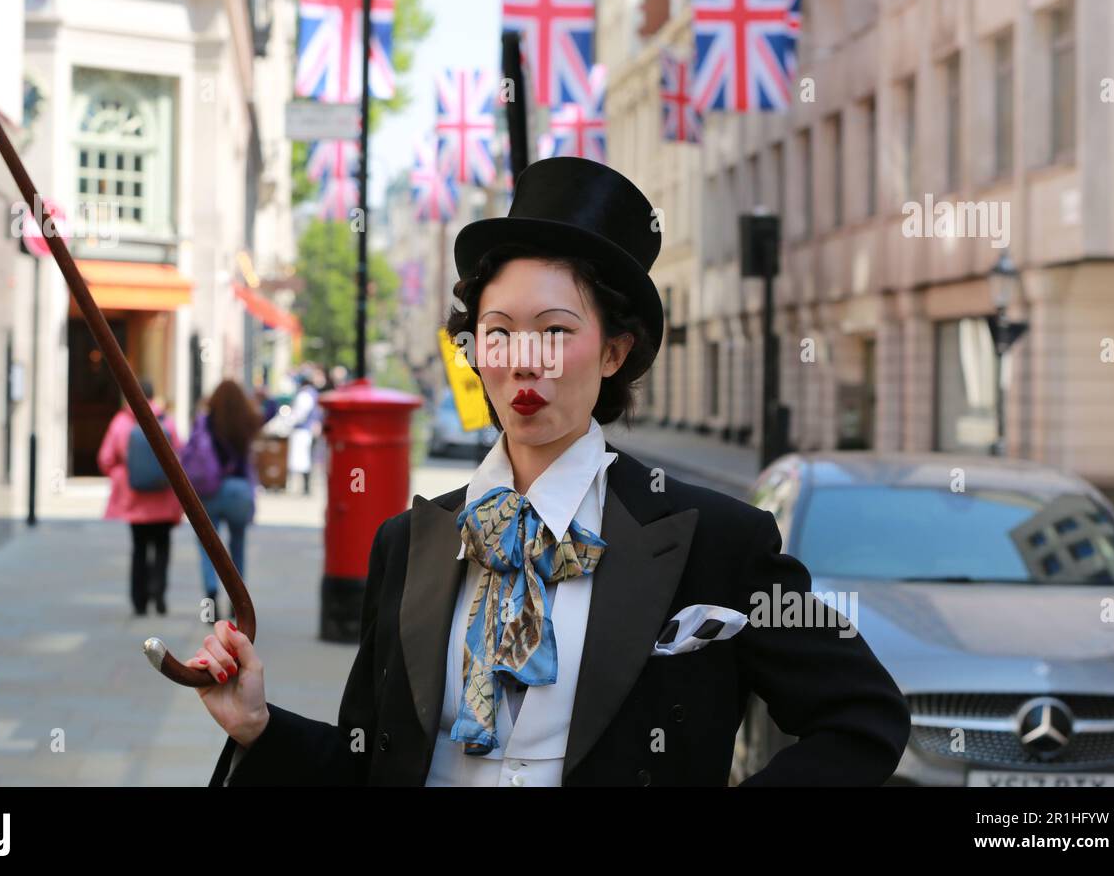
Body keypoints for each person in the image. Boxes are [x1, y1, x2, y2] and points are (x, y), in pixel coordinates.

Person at [188, 157, 912, 786]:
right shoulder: (409, 543)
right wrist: (258, 724)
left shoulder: (717, 542)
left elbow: (863, 719)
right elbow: (369, 764)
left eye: (556, 331)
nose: (522, 358)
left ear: (614, 352)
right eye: (497, 331)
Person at [96, 379, 182, 616]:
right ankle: (159, 594)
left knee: (139, 548)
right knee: (163, 547)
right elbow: (179, 455)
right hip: (163, 499)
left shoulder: (121, 422)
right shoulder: (166, 421)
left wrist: (122, 475)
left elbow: (105, 459)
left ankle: (139, 600)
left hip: (135, 500)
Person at [182, 380, 264, 621]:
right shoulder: (246, 421)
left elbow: (191, 450)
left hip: (211, 490)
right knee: (237, 546)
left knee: (208, 547)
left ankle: (210, 595)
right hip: (239, 491)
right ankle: (238, 604)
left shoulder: (206, 420)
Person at [288, 371, 320, 496]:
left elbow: (299, 414)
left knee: (301, 460)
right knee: (306, 459)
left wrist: (289, 421)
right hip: (308, 430)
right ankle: (305, 487)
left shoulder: (304, 395)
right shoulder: (312, 393)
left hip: (302, 430)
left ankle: (303, 487)